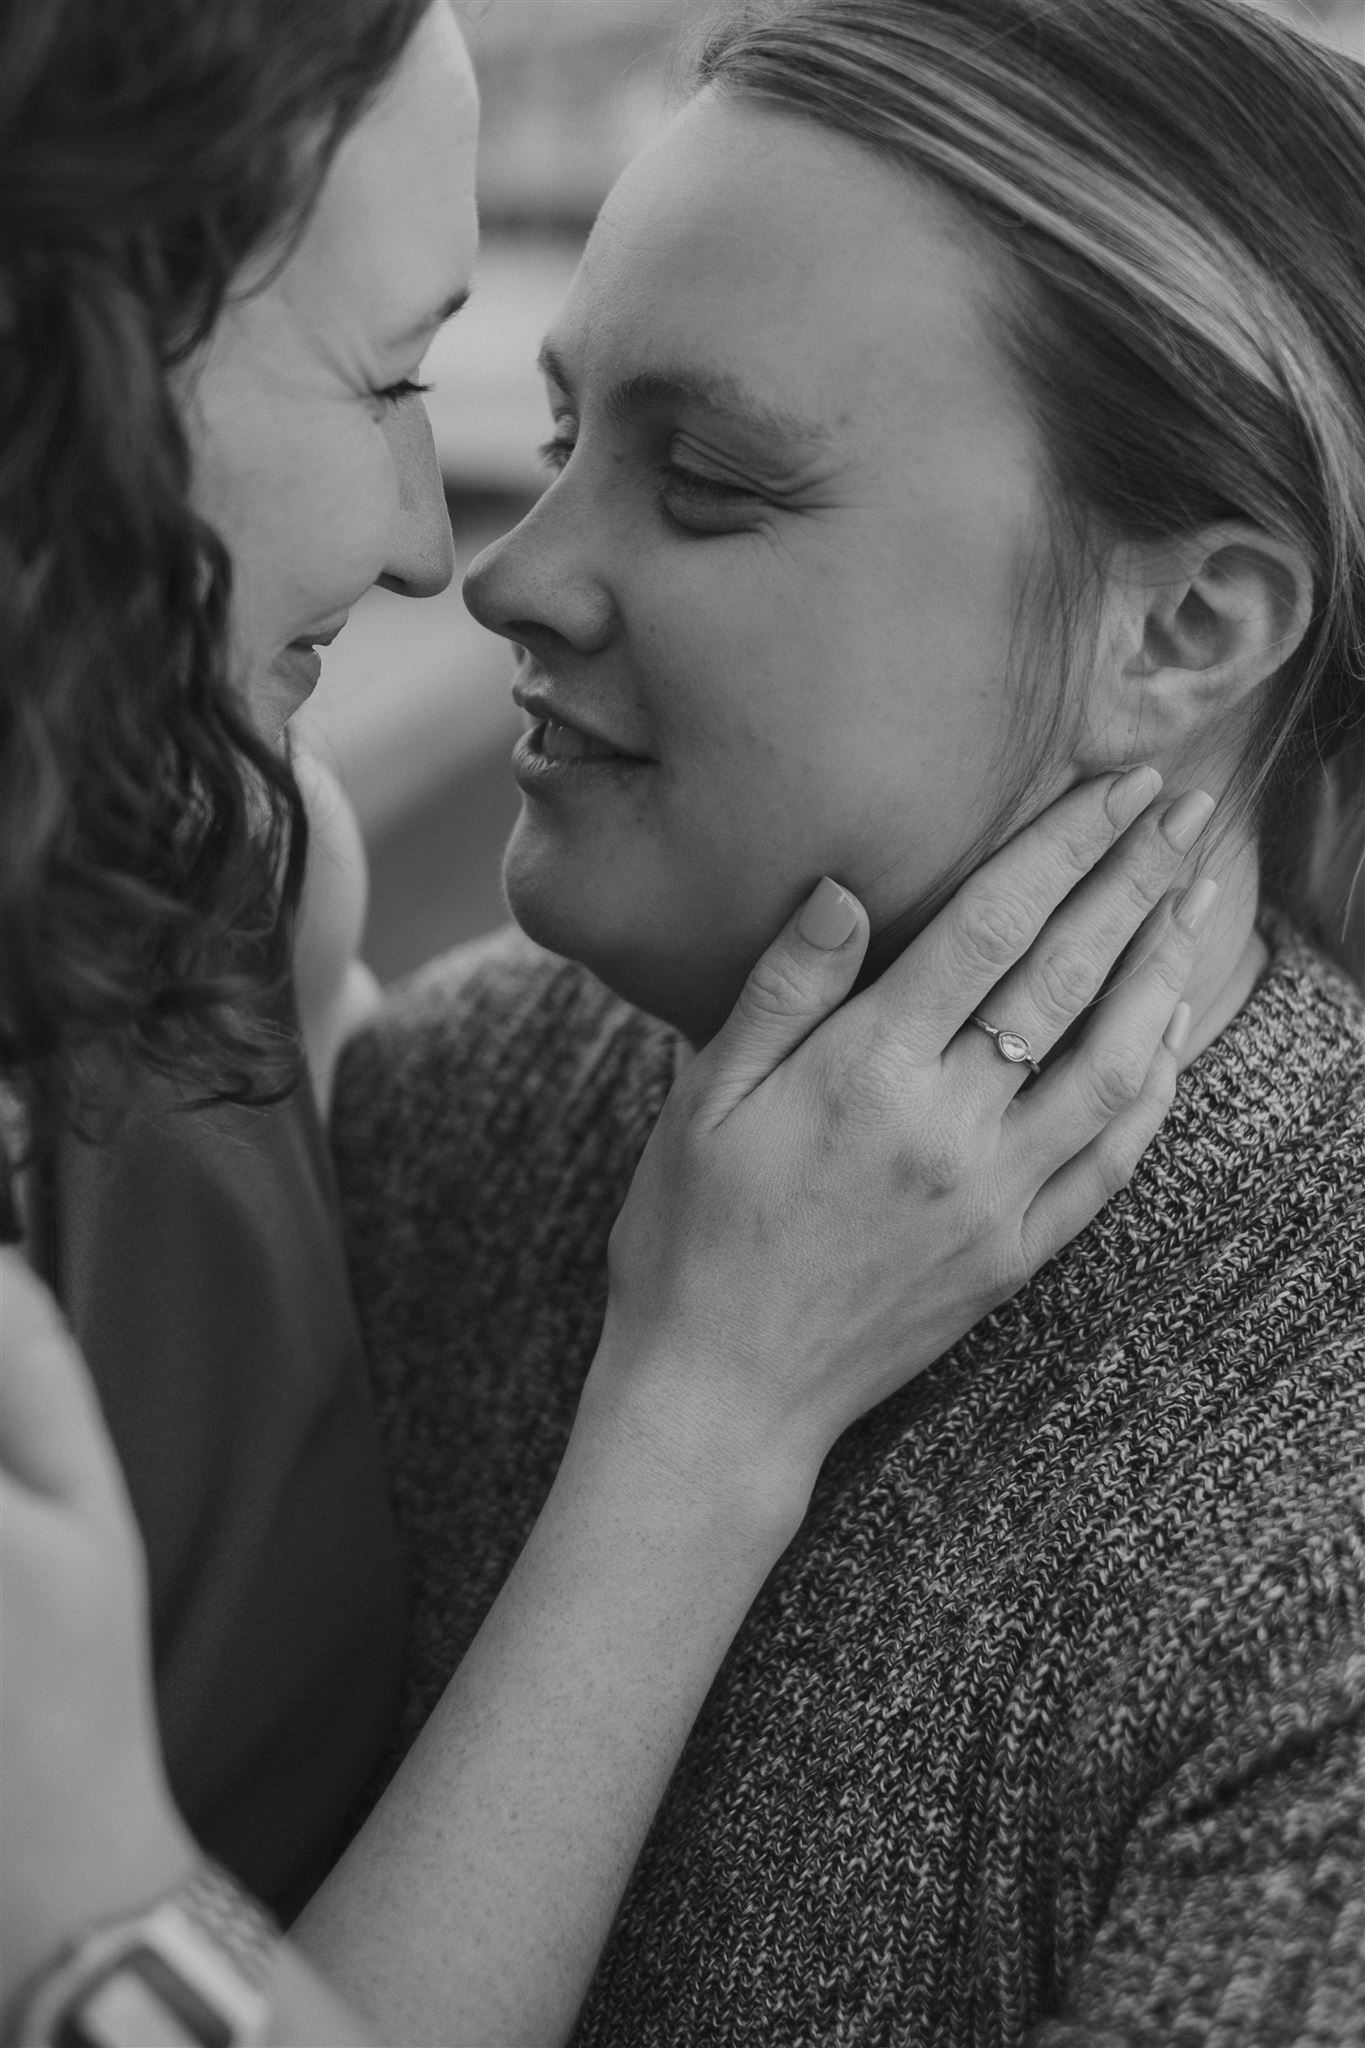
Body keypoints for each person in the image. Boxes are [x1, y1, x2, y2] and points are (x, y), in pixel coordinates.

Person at [0, 1, 1209, 2044]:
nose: (437, 550)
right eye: (389, 375)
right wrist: (706, 1413)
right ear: (62, 376)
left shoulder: (231, 900)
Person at [326, 0, 1365, 2042]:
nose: (509, 577)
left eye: (706, 481)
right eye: (560, 439)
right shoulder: (426, 1121)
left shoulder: (1316, 1540)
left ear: (1184, 629)